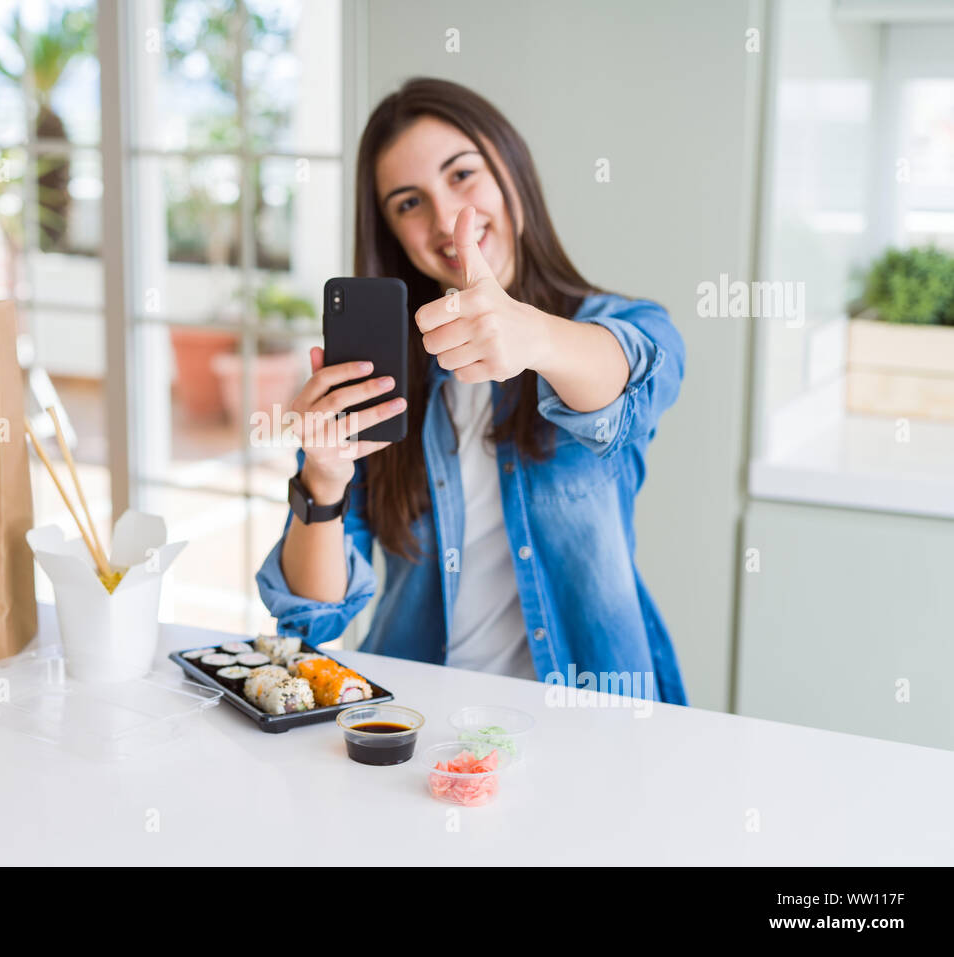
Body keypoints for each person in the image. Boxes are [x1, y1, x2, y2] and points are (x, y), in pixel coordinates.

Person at [254, 77, 687, 704]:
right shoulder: (381, 378)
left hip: (593, 725)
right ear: (391, 230)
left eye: (462, 175)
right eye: (408, 203)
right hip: (417, 726)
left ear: (511, 168)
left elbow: (633, 375)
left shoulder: (618, 327)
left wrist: (532, 337)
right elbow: (313, 621)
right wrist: (321, 479)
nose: (446, 219)